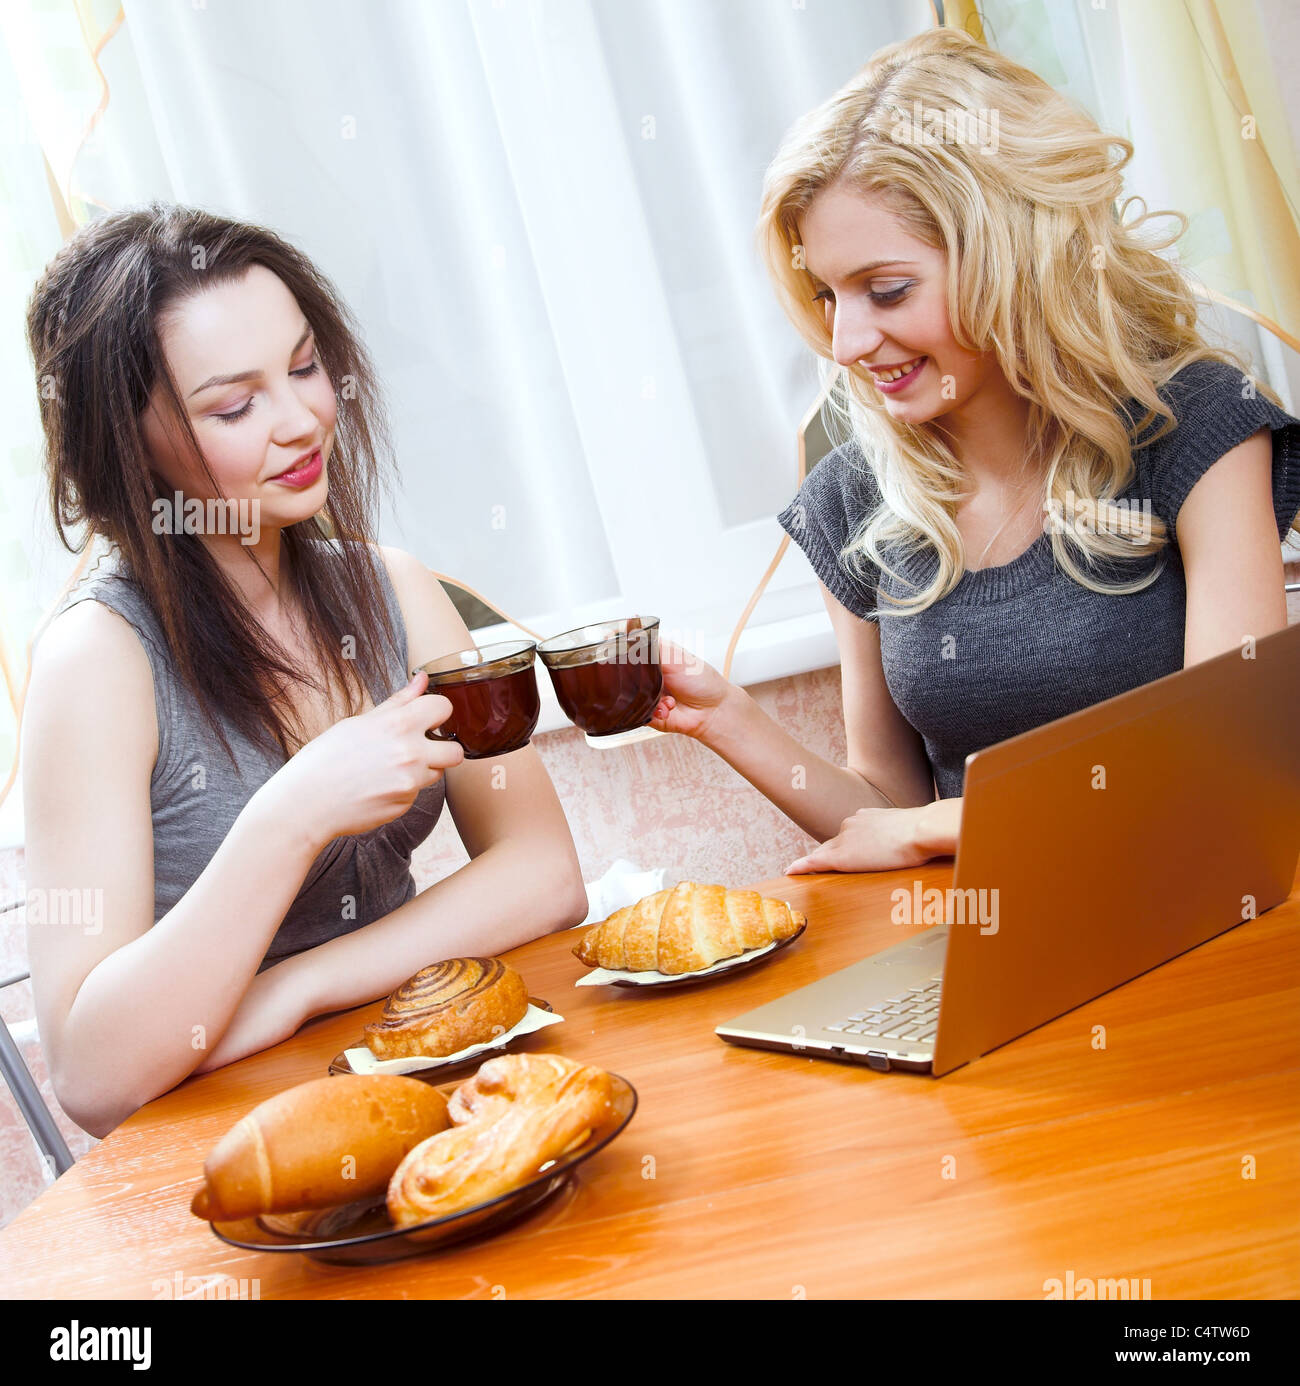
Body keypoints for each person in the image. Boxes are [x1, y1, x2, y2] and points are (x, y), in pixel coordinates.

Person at [648, 28, 1300, 875]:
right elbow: (887, 808)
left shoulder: (1196, 426)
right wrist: (727, 718)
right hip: (983, 935)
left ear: (1011, 256)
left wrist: (942, 826)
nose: (845, 340)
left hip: (1194, 909)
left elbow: (1231, 761)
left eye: (886, 291)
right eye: (826, 295)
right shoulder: (855, 494)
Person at [21, 204, 588, 1137]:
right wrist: (292, 815)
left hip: (417, 1084)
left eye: (303, 367)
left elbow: (544, 872)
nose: (301, 420)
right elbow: (91, 1072)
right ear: (131, 445)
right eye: (235, 406)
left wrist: (298, 989)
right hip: (235, 1144)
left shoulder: (392, 590)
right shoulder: (98, 660)